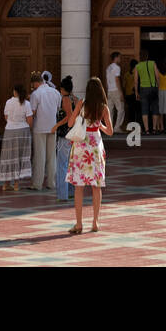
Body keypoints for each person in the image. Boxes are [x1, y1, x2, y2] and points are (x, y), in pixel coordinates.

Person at [65, 76, 112, 235]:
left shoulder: (81, 103)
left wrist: (80, 118)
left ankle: (79, 223)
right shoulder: (103, 107)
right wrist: (99, 125)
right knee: (96, 186)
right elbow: (110, 131)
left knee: (79, 187)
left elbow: (70, 123)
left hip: (81, 146)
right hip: (95, 147)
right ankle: (95, 222)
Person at [0, 84, 33, 192]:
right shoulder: (26, 103)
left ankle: (6, 184)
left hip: (9, 131)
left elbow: (6, 117)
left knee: (8, 156)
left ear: (15, 92)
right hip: (22, 131)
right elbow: (30, 120)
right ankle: (16, 184)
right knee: (19, 156)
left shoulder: (8, 102)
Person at [29, 71, 61, 191]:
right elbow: (58, 108)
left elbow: (33, 112)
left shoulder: (36, 94)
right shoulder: (55, 92)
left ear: (35, 83)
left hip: (39, 127)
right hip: (53, 126)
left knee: (39, 156)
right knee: (52, 156)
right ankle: (51, 183)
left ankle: (37, 184)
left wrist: (30, 125)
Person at [53, 75, 76, 202]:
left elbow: (69, 116)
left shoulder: (66, 99)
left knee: (62, 164)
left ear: (62, 89)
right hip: (73, 135)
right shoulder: (75, 98)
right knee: (70, 164)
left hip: (65, 134)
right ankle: (71, 191)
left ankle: (62, 194)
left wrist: (56, 125)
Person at [133, 54, 160, 136]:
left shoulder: (137, 66)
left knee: (144, 109)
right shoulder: (153, 63)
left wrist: (136, 92)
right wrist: (158, 87)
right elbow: (157, 76)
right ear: (147, 56)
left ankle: (147, 130)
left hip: (143, 89)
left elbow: (136, 80)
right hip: (153, 88)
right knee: (155, 108)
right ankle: (154, 129)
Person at [105, 52, 125, 133]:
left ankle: (109, 127)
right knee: (121, 109)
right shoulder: (117, 67)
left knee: (110, 110)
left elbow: (106, 81)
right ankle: (117, 127)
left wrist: (107, 90)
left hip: (109, 91)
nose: (120, 59)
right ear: (116, 58)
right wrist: (121, 93)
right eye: (119, 57)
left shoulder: (108, 68)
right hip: (116, 90)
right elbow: (117, 80)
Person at [123, 59, 138, 124]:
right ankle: (135, 124)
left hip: (128, 94)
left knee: (130, 111)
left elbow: (124, 85)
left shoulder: (126, 74)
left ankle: (130, 124)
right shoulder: (137, 74)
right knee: (136, 111)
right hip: (134, 94)